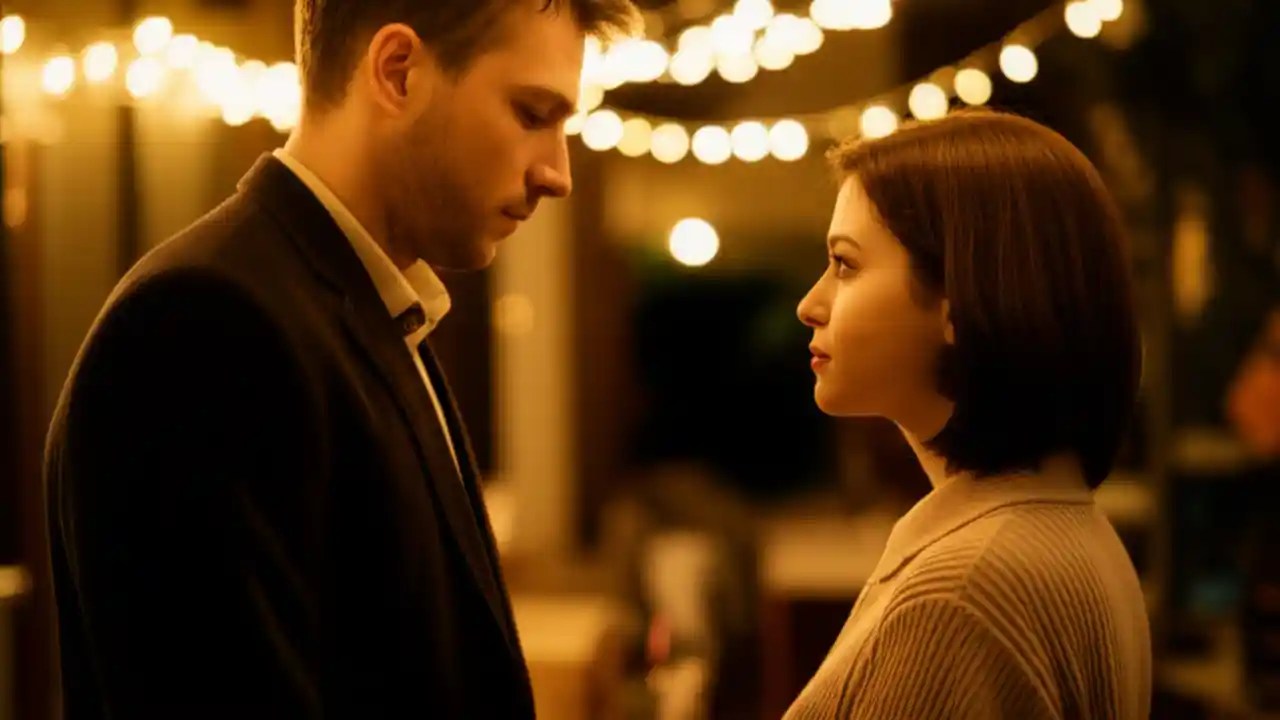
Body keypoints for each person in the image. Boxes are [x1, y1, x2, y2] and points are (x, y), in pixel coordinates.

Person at [43, 0, 636, 716]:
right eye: (533, 114)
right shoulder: (202, 327)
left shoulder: (367, 313)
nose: (558, 173)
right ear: (398, 71)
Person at [791, 109, 1151, 719]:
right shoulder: (1062, 528)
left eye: (846, 264)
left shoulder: (958, 594)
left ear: (958, 300)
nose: (809, 304)